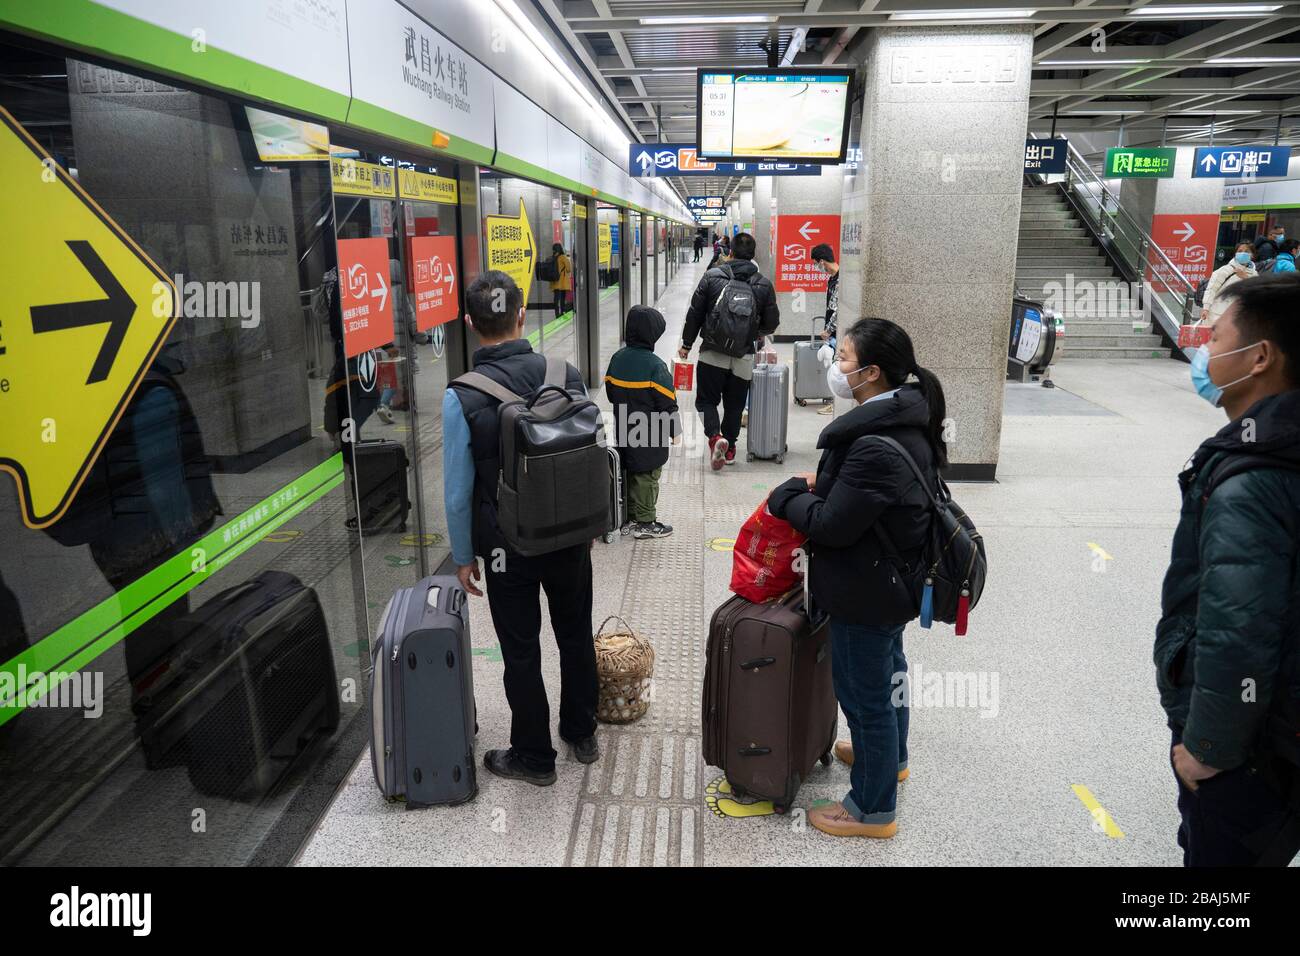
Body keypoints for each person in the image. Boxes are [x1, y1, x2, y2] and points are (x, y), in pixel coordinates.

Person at [767, 317, 948, 840]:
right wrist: (828, 485)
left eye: (843, 358)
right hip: (893, 582)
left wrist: (787, 497)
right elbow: (862, 502)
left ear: (871, 374)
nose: (835, 366)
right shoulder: (907, 420)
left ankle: (872, 808)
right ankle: (892, 761)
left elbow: (832, 526)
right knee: (889, 677)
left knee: (866, 696)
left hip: (865, 590)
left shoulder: (871, 442)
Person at [1155, 274, 1300, 866]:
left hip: (1251, 749)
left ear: (1260, 356)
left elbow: (1237, 631)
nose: (1204, 350)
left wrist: (1208, 748)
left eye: (1217, 338)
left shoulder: (1251, 480)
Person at [443, 270, 599, 786]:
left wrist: (464, 556)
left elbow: (457, 489)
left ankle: (534, 757)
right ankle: (581, 731)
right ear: (520, 313)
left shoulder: (461, 396)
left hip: (507, 544)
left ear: (470, 323)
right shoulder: (565, 372)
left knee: (521, 647)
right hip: (570, 533)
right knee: (575, 632)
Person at [678, 232, 779, 469]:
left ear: (729, 252)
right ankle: (731, 448)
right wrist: (756, 332)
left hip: (712, 352)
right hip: (743, 355)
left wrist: (686, 344)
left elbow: (695, 314)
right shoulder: (763, 284)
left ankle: (715, 437)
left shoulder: (712, 276)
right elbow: (772, 322)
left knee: (705, 401)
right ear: (753, 256)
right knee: (735, 404)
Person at [603, 306, 681, 538]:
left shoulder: (617, 359)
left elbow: (609, 393)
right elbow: (668, 405)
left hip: (625, 430)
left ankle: (628, 517)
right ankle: (646, 523)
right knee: (647, 477)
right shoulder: (655, 366)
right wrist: (675, 432)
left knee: (627, 473)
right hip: (650, 436)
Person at [811, 243, 842, 416]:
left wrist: (828, 330)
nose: (817, 267)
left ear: (822, 261)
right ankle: (834, 402)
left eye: (816, 263)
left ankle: (836, 403)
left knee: (837, 368)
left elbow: (838, 310)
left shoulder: (839, 280)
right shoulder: (832, 278)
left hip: (837, 332)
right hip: (833, 332)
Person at [1200, 242, 1256, 325]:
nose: (1243, 253)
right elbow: (1211, 289)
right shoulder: (1225, 270)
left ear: (1252, 255)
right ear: (1235, 254)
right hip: (1218, 314)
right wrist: (1206, 308)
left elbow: (1256, 294)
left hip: (1240, 316)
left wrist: (1246, 278)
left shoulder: (1254, 274)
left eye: (1247, 251)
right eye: (1240, 251)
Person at [550, 242, 573, 318]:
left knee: (556, 298)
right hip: (562, 282)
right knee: (562, 297)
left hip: (554, 281)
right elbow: (569, 268)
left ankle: (556, 313)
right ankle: (562, 311)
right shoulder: (563, 257)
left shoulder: (552, 257)